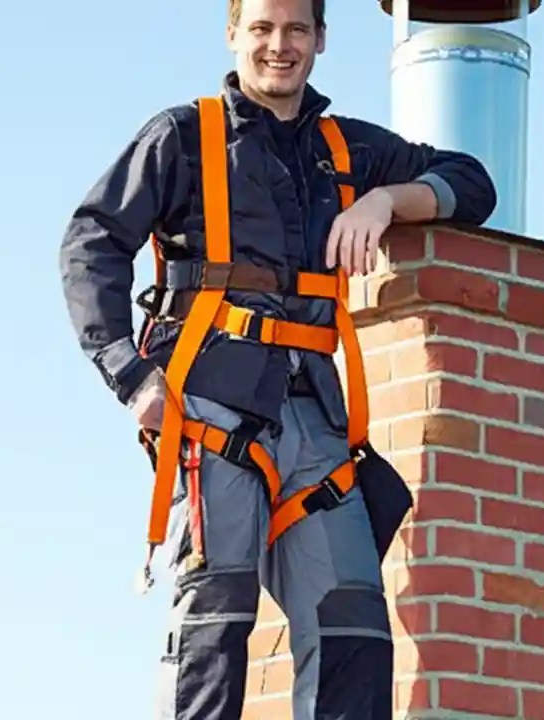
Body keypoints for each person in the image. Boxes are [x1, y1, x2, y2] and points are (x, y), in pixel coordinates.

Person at [58, 0, 496, 717]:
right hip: (211, 408)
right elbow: (91, 242)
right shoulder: (183, 138)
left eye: (296, 29)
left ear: (321, 38)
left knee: (354, 626)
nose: (278, 46)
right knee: (215, 617)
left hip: (317, 424)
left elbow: (472, 183)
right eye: (261, 28)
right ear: (233, 34)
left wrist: (385, 200)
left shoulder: (347, 152)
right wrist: (129, 376)